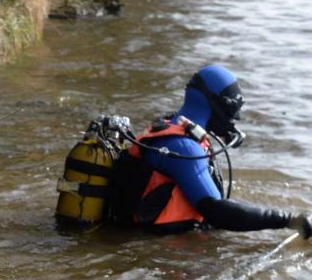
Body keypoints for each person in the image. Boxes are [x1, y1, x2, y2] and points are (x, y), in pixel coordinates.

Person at [119, 64, 312, 236]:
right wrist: (287, 219)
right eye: (232, 111)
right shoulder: (185, 147)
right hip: (157, 249)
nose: (234, 119)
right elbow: (217, 212)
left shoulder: (172, 126)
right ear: (216, 105)